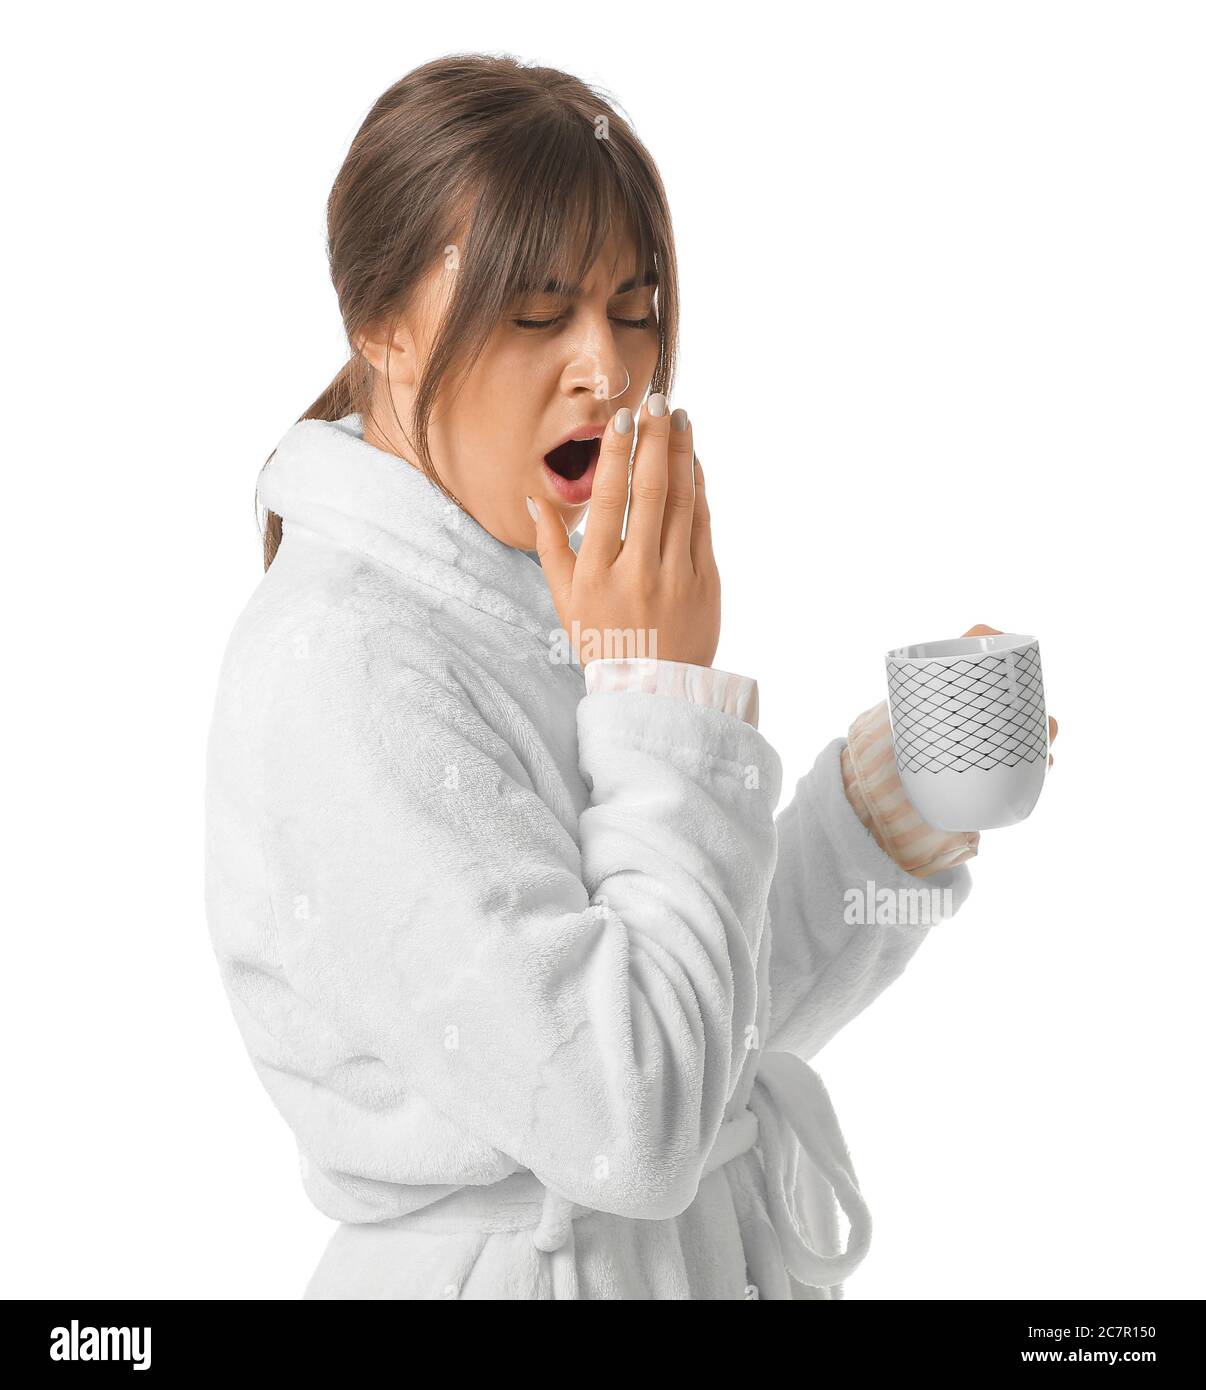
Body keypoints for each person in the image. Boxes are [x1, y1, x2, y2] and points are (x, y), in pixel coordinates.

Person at [204, 53, 1058, 1300]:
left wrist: (879, 816)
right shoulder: (339, 668)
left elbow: (700, 1030)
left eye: (636, 305)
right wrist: (656, 684)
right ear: (380, 330)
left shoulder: (522, 585)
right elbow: (634, 1117)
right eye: (537, 314)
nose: (608, 369)